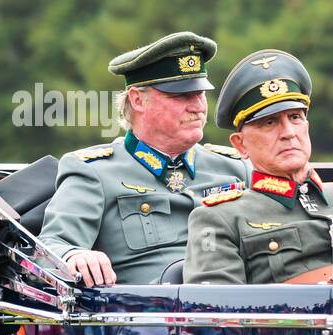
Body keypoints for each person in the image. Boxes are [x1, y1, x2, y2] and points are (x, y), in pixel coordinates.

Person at [39, 32, 248, 286]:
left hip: (238, 313)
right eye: (181, 95)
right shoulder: (94, 171)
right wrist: (74, 255)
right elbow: (50, 249)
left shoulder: (236, 167)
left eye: (200, 93)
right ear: (137, 100)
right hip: (149, 319)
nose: (198, 106)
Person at [184, 49, 333, 284]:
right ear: (240, 144)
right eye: (269, 122)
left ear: (307, 126)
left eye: (295, 117)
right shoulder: (219, 219)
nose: (288, 133)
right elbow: (218, 312)